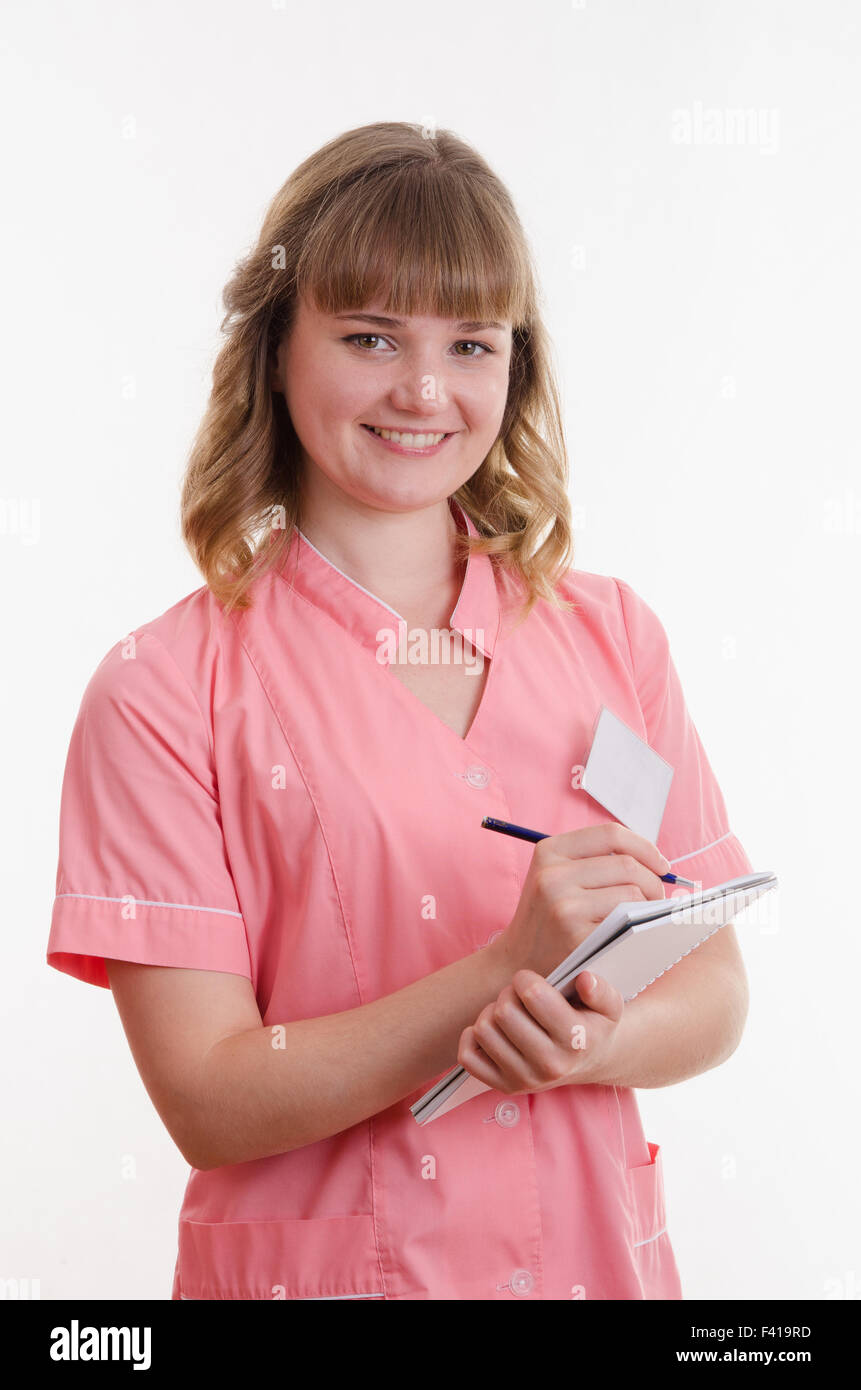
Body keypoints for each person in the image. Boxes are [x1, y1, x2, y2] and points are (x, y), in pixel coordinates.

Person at [47, 121, 754, 1301]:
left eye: (471, 343)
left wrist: (584, 1044)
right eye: (371, 336)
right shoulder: (163, 689)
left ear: (513, 369)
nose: (425, 390)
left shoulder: (612, 636)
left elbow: (716, 985)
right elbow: (208, 1098)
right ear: (277, 350)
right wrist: (497, 975)